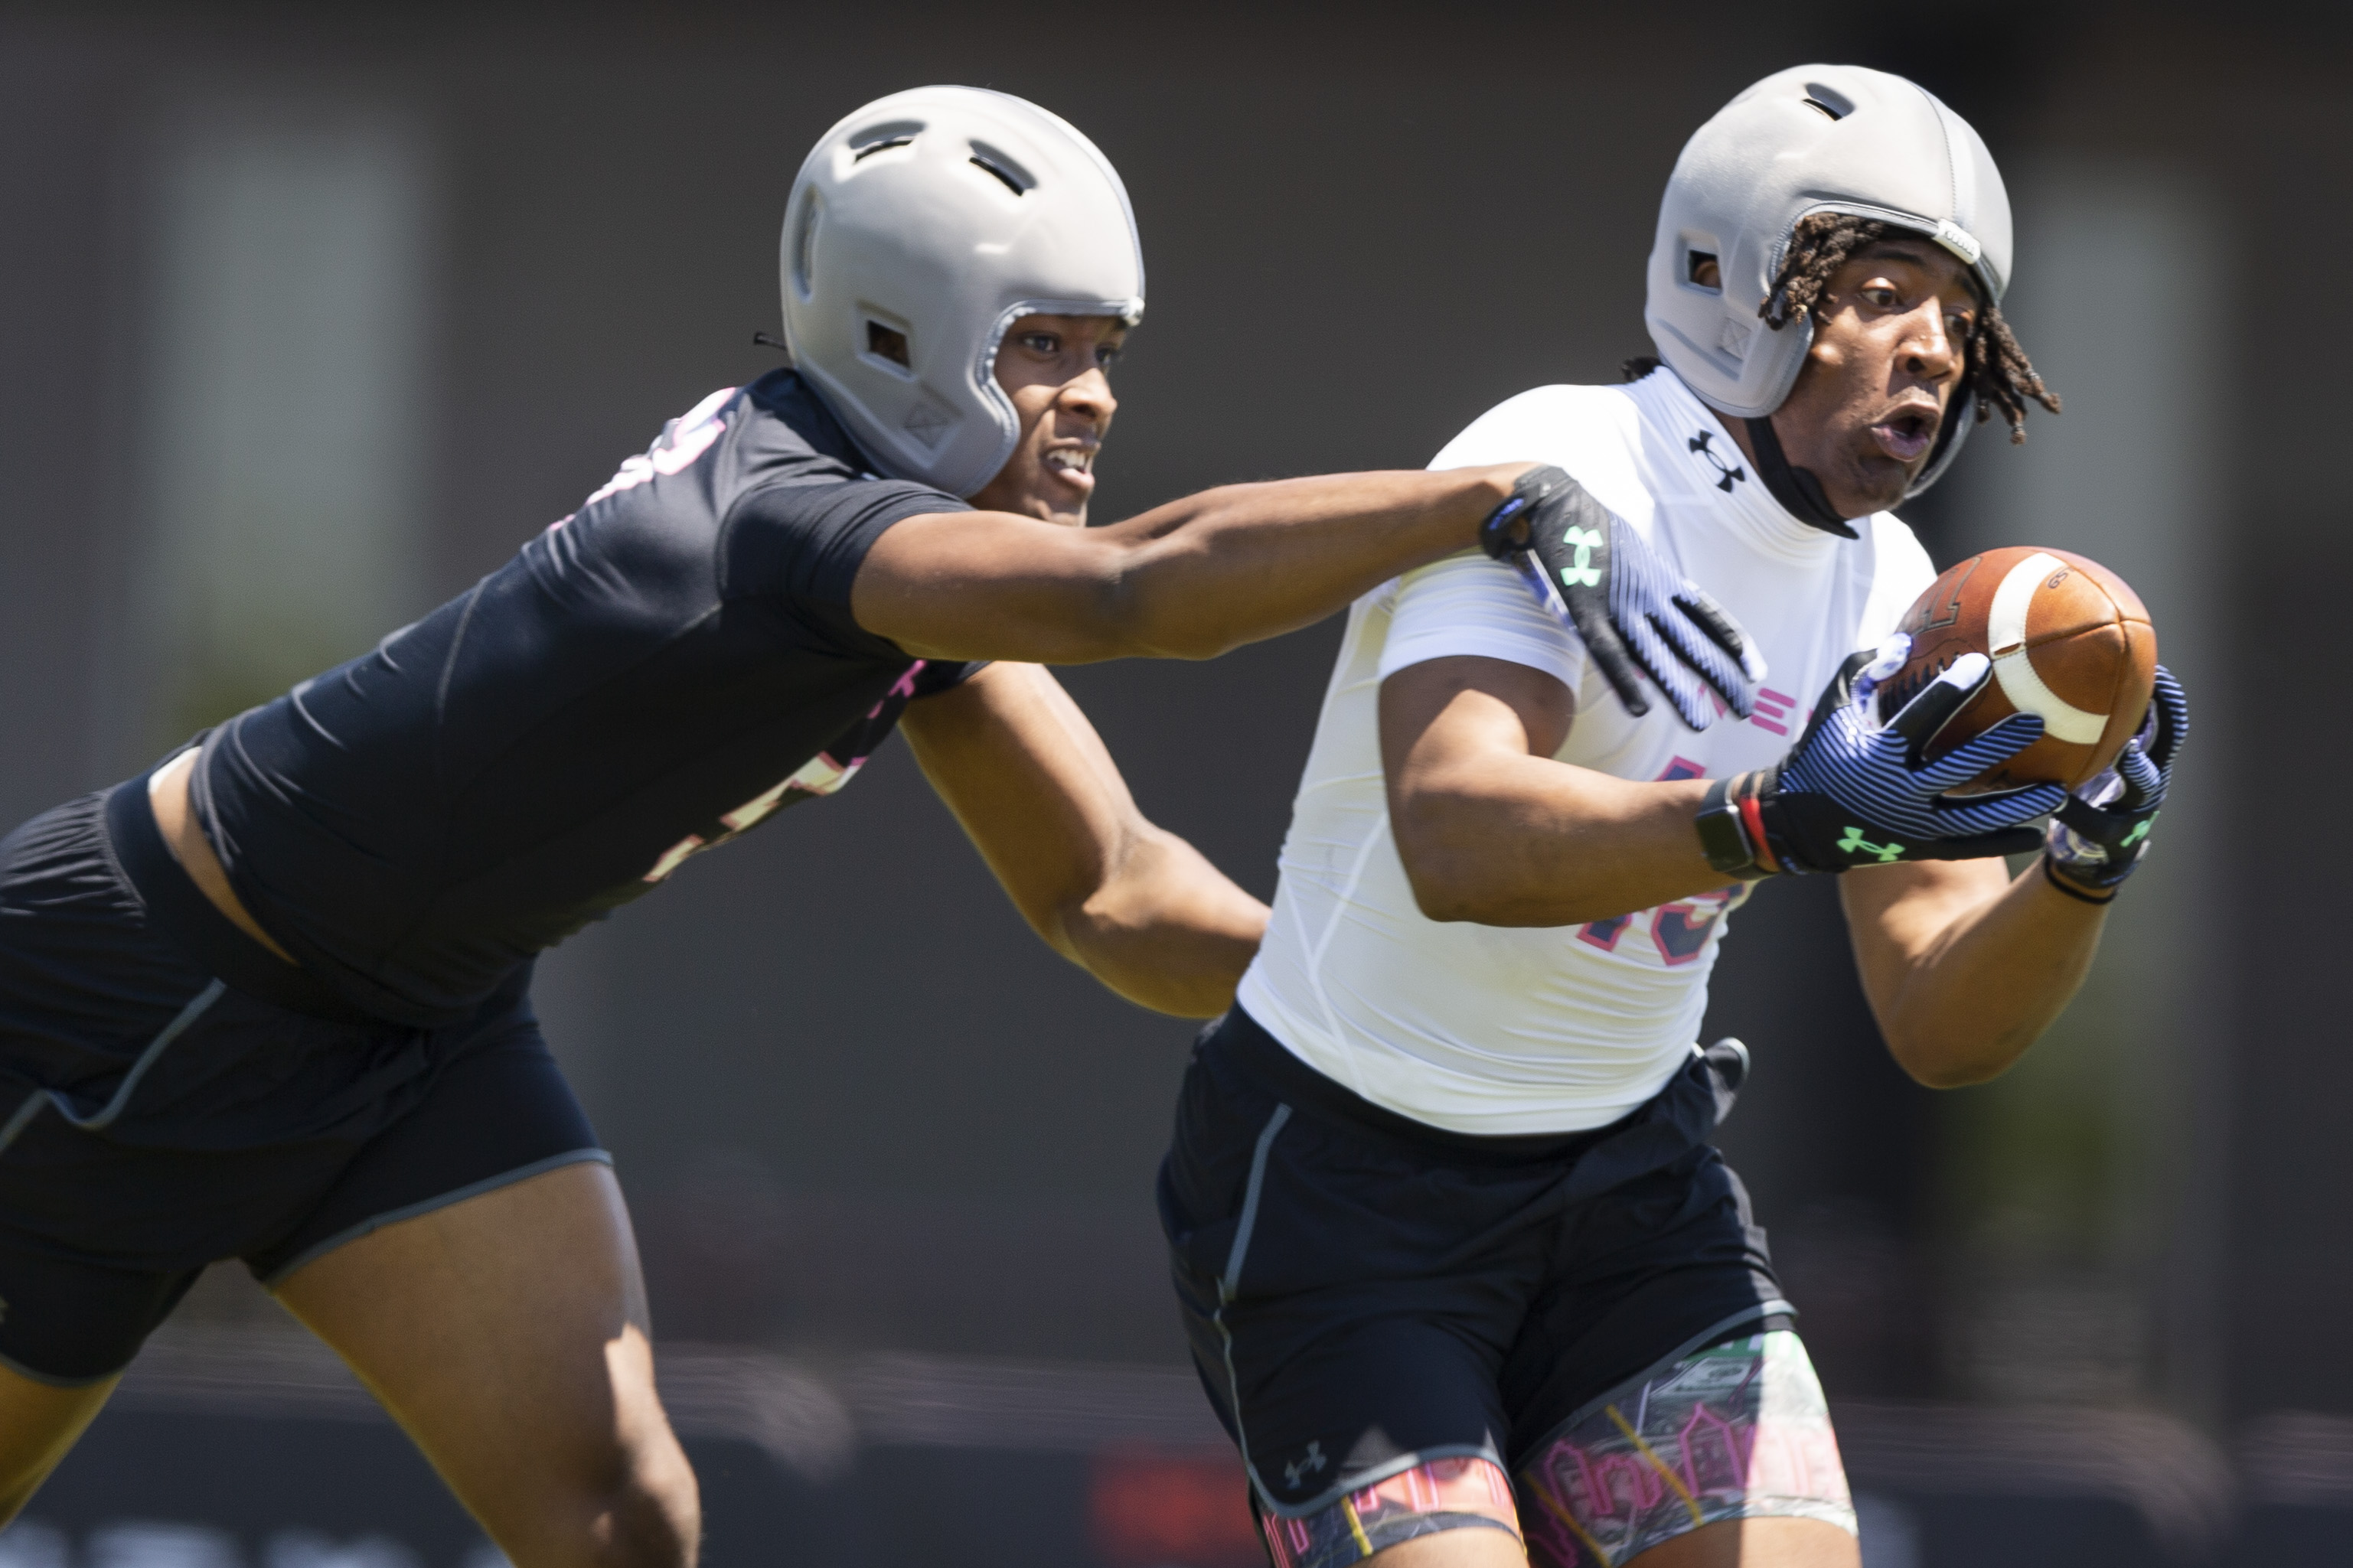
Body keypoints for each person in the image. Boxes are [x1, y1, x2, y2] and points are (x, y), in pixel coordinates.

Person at [0, 86, 1752, 1563]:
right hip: (141, 980)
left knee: (618, 1516)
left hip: (414, 1036)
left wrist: (1414, 1018)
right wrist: (1485, 499)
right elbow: (1132, 589)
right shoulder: (777, 510)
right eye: (1043, 347)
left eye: (1103, 351)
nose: (1094, 396)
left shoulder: (903, 581)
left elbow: (1108, 886)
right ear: (899, 334)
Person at [1158, 64, 2189, 1568]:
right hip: (1344, 1191)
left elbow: (1936, 1017)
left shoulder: (1891, 588)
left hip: (1630, 1188)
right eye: (1883, 293)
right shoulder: (1569, 468)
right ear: (1737, 283)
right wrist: (1769, 820)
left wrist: (2081, 872)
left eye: (1961, 318)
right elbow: (1454, 833)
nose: (1934, 347)